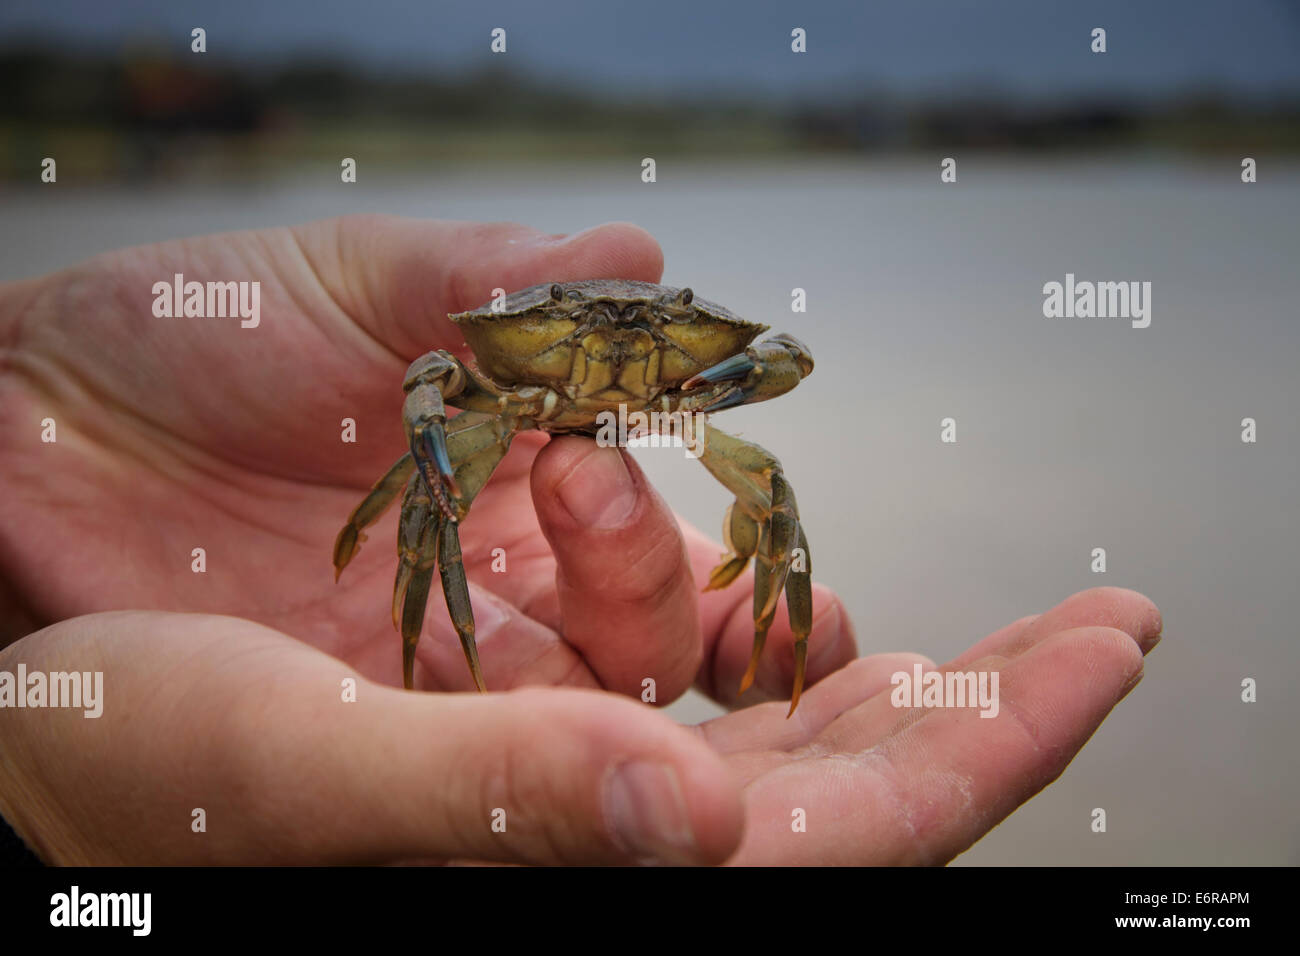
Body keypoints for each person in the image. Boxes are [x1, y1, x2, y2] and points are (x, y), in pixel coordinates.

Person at [0, 215, 1162, 865]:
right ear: (523, 320)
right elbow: (425, 370)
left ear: (686, 338)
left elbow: (790, 357)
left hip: (632, 421)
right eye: (576, 328)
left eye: (654, 330)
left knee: (776, 506)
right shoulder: (479, 378)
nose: (614, 342)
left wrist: (692, 396)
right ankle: (433, 629)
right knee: (425, 504)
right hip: (502, 420)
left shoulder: (687, 386)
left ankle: (782, 630)